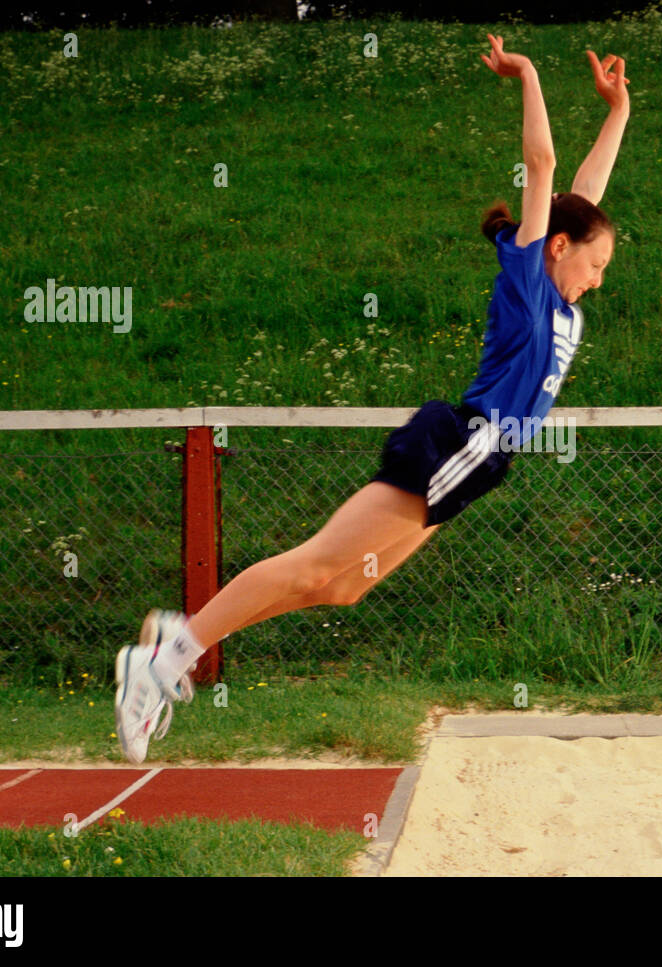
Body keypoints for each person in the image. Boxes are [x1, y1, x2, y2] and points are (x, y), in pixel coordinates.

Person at [115, 34, 631, 763]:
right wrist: (531, 74)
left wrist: (620, 112)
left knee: (341, 588)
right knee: (315, 562)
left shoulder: (560, 288)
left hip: (479, 461)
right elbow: (546, 167)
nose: (601, 277)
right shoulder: (525, 276)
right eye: (598, 261)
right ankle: (169, 654)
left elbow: (586, 188)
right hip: (460, 444)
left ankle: (181, 637)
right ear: (556, 244)